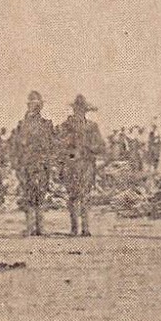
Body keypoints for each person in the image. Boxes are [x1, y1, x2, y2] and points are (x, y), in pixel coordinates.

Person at [57, 95, 106, 237]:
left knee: (85, 196)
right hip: (71, 165)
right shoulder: (66, 126)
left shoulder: (92, 126)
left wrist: (90, 148)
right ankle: (74, 228)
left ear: (85, 111)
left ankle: (85, 228)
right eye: (77, 109)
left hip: (86, 165)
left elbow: (100, 145)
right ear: (74, 110)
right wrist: (65, 158)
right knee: (72, 196)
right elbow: (60, 144)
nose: (79, 112)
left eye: (82, 109)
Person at [11, 91, 55, 236]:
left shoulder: (46, 125)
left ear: (40, 107)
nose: (33, 107)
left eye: (36, 105)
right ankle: (31, 227)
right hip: (27, 165)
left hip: (41, 165)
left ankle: (40, 228)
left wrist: (49, 164)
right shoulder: (22, 125)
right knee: (29, 195)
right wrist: (17, 165)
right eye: (31, 104)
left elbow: (52, 145)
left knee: (40, 195)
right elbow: (16, 146)